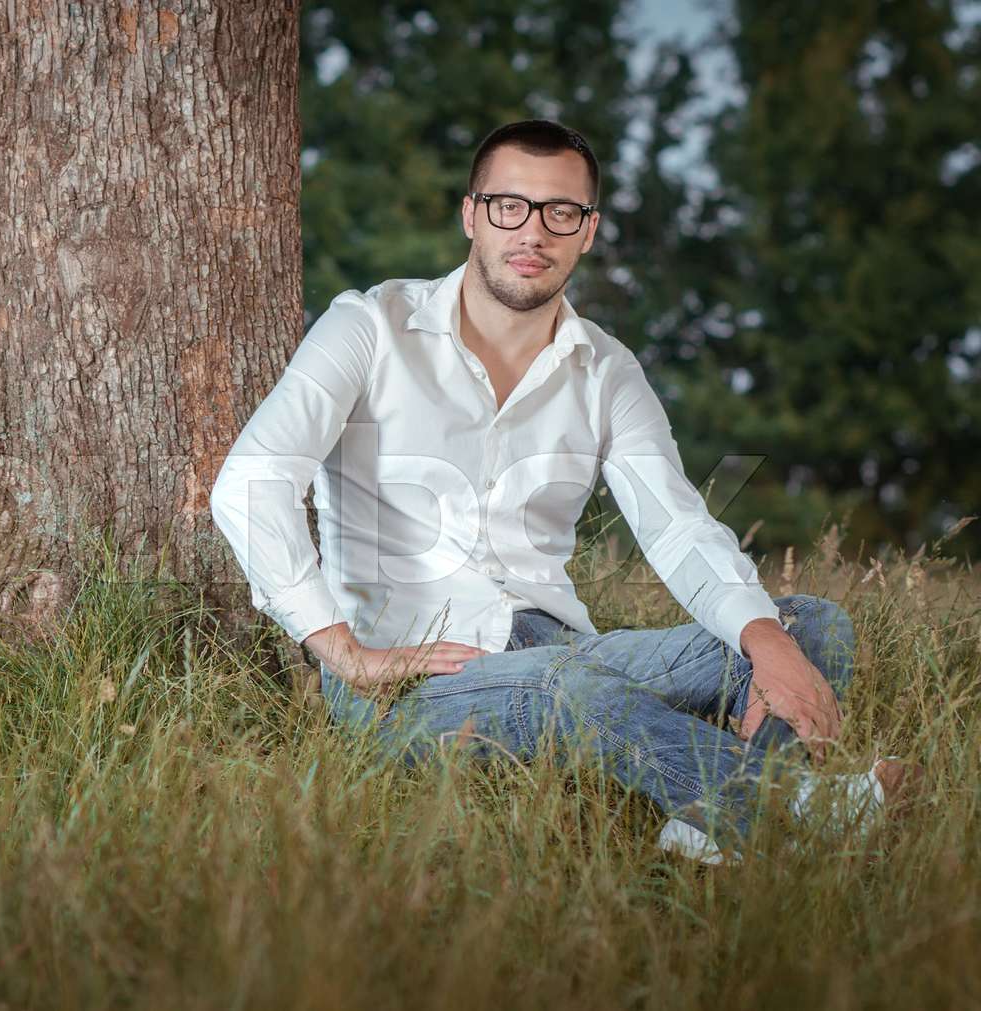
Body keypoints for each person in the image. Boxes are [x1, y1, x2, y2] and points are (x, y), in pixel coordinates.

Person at [209, 119, 916, 861]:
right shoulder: (369, 327)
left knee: (804, 627)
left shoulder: (606, 370)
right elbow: (252, 481)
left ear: (588, 231)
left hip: (559, 646)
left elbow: (676, 525)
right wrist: (344, 652)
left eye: (561, 213)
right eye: (509, 205)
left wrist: (763, 640)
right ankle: (793, 810)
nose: (533, 231)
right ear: (471, 214)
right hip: (406, 686)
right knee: (564, 685)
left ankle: (708, 829)